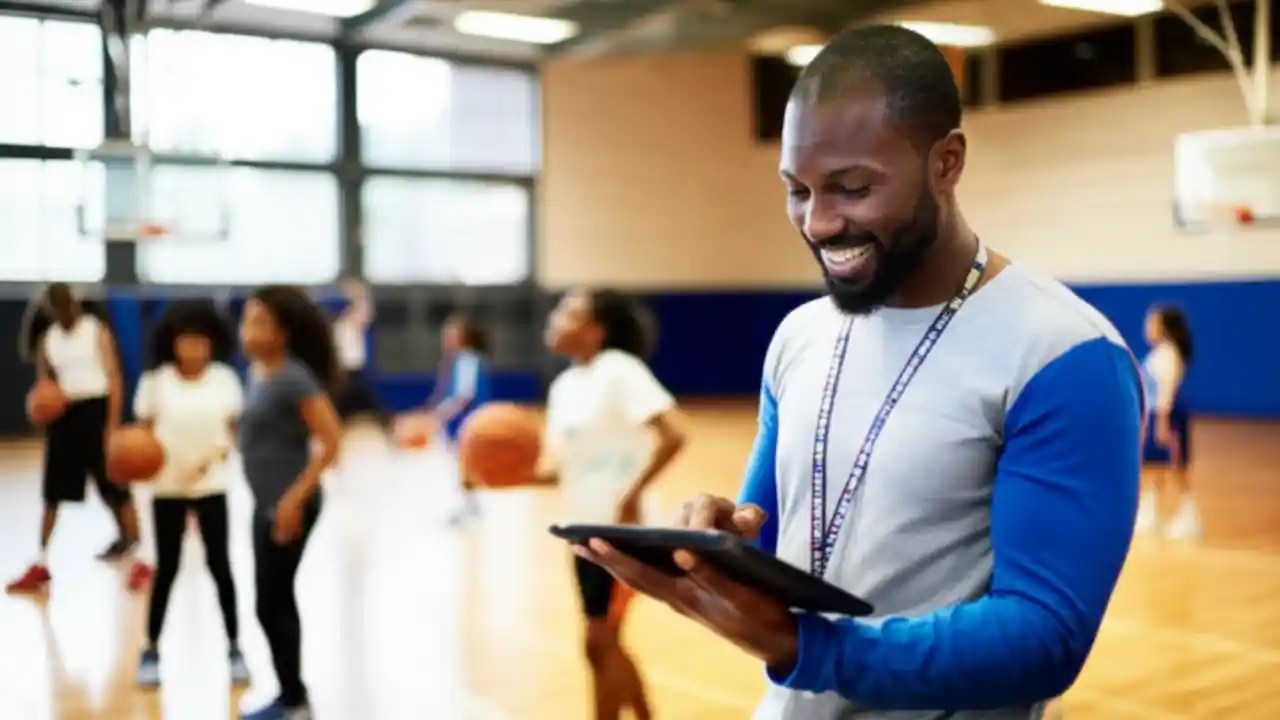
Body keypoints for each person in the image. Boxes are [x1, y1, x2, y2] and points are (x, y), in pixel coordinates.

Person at [575, 25, 1143, 720]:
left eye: (850, 188)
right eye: (797, 190)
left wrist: (809, 649)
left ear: (947, 161)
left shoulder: (1064, 353)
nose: (817, 223)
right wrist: (719, 548)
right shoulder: (799, 336)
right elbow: (774, 537)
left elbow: (1046, 637)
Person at [537, 288, 687, 720]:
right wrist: (493, 477)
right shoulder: (564, 386)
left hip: (625, 537)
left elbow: (674, 435)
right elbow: (560, 469)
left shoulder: (620, 370)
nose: (556, 319)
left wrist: (631, 494)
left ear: (596, 331)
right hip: (580, 532)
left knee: (599, 642)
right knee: (602, 644)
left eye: (569, 313)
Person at [237, 286, 344, 720]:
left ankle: (294, 701)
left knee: (273, 600)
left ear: (283, 332)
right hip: (265, 502)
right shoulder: (257, 372)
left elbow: (332, 441)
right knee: (270, 599)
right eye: (246, 321)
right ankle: (290, 696)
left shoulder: (293, 377)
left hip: (289, 504)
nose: (247, 331)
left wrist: (293, 501)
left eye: (258, 322)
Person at [130, 300, 249, 688]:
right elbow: (140, 436)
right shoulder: (156, 382)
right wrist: (136, 463)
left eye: (202, 340)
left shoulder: (225, 380)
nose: (195, 348)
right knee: (167, 570)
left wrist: (215, 457)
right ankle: (151, 649)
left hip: (211, 486)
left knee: (221, 567)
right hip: (168, 488)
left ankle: (234, 648)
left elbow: (234, 436)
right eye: (187, 340)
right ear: (173, 343)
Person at [6, 283, 139, 594]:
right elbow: (44, 386)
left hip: (97, 409)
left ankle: (135, 551)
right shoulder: (48, 340)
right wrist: (41, 409)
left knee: (115, 486)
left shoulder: (95, 330)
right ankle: (41, 561)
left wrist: (112, 426)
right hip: (65, 417)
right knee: (52, 494)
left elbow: (114, 377)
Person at [1136, 305, 1198, 539]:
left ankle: (1189, 516)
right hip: (1156, 413)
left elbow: (1166, 390)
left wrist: (1162, 422)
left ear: (1165, 327)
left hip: (1165, 414)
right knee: (1153, 465)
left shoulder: (1169, 353)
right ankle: (1151, 512)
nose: (1148, 327)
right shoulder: (1159, 352)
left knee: (1175, 465)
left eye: (1152, 322)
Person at [426, 313, 493, 525]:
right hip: (465, 422)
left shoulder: (467, 359)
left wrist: (443, 412)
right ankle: (470, 507)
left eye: (451, 335)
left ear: (463, 337)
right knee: (463, 467)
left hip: (466, 422)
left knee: (465, 467)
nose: (447, 340)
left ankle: (471, 509)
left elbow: (464, 394)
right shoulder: (462, 360)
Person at [332, 278, 393, 436]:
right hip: (341, 374)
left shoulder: (352, 323)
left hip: (355, 373)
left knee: (374, 408)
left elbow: (366, 312)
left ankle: (392, 432)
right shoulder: (337, 326)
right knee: (336, 412)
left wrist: (359, 293)